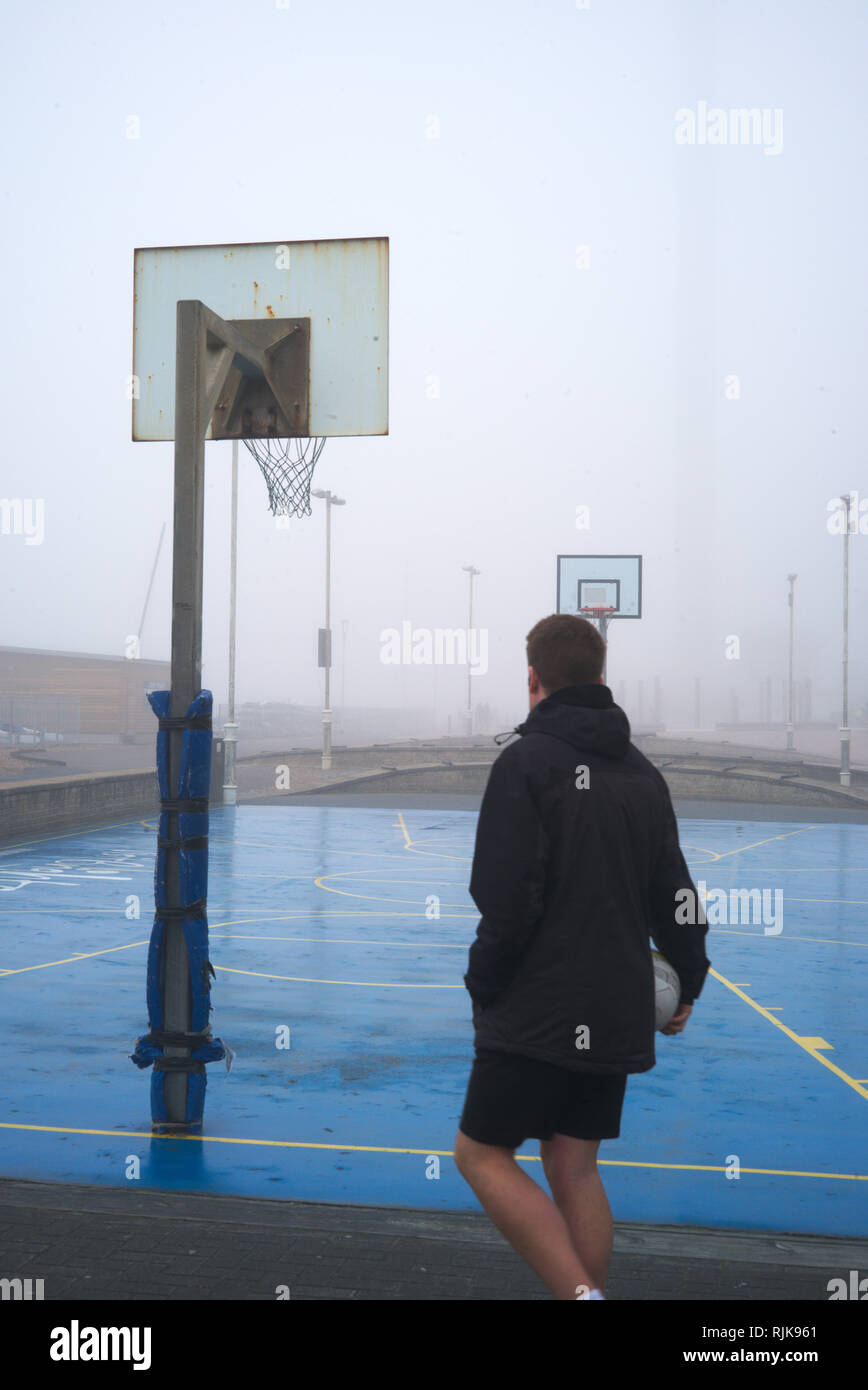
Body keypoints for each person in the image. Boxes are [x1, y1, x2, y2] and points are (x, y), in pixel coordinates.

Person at [453, 614, 710, 1300]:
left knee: (480, 1155)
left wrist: (484, 983)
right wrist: (689, 980)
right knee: (576, 1167)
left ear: (532, 680)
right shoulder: (642, 775)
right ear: (603, 677)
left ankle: (581, 1296)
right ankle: (584, 1294)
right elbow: (676, 895)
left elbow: (505, 899)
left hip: (537, 1004)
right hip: (617, 999)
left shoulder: (526, 763)